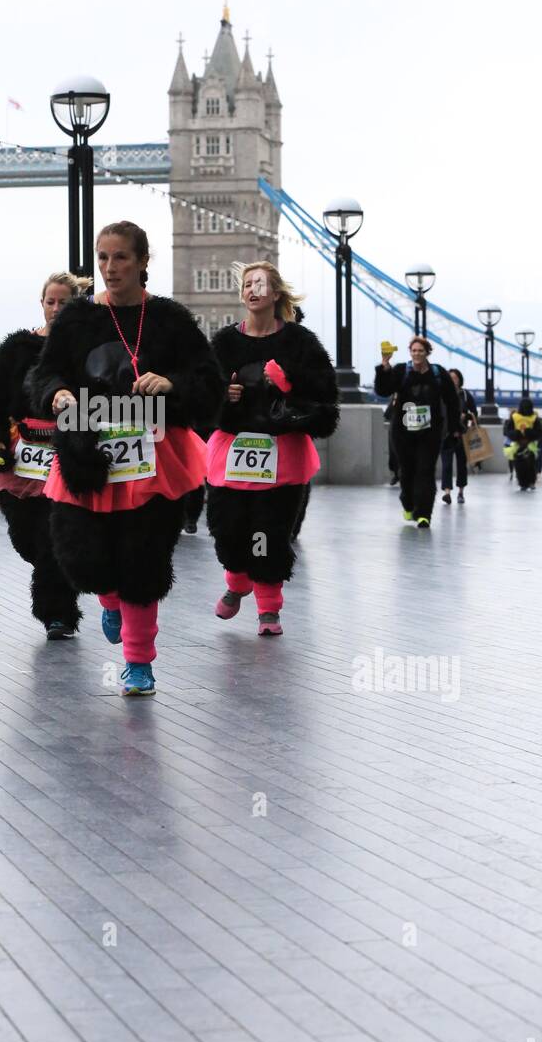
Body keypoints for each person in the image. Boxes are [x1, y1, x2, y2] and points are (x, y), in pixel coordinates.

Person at [31, 220, 223, 695]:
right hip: (86, 453)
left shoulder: (171, 319)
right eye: (102, 258)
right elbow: (45, 373)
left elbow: (209, 383)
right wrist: (55, 394)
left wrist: (173, 384)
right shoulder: (76, 320)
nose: (109, 268)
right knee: (84, 560)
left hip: (154, 459)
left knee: (144, 560)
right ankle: (109, 600)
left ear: (142, 263)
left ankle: (139, 662)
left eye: (120, 257)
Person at [205, 261, 339, 637]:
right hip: (232, 453)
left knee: (268, 532)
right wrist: (222, 396)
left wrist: (289, 384)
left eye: (260, 284)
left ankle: (268, 608)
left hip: (281, 455)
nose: (253, 290)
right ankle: (236, 581)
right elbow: (200, 396)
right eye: (247, 284)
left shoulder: (301, 343)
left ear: (276, 293)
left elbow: (326, 400)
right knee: (228, 530)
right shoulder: (224, 343)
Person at [0, 271, 89, 639]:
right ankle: (63, 579)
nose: (55, 309)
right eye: (50, 302)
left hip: (66, 455)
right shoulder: (16, 349)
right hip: (20, 456)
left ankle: (58, 614)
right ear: (41, 304)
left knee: (54, 537)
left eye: (63, 303)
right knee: (26, 539)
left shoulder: (84, 349)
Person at [375, 336, 461, 528]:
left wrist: (455, 428)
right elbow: (382, 390)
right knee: (406, 472)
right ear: (410, 352)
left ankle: (424, 514)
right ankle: (408, 503)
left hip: (429, 433)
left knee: (425, 471)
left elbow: (452, 402)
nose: (416, 354)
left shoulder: (438, 374)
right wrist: (384, 367)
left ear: (427, 353)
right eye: (413, 350)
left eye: (420, 351)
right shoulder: (401, 371)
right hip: (403, 432)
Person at [440, 367, 478, 505]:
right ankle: (447, 493)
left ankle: (461, 492)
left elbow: (474, 414)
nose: (452, 380)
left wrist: (465, 415)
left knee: (461, 465)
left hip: (462, 435)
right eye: (450, 378)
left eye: (455, 378)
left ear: (460, 380)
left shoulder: (466, 395)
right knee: (446, 465)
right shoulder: (442, 394)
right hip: (446, 434)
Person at [503, 397, 542, 491]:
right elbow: (508, 431)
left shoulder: (534, 418)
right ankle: (525, 482)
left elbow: (540, 432)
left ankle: (529, 482)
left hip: (529, 444)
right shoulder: (515, 417)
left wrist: (528, 433)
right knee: (523, 464)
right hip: (519, 444)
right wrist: (517, 435)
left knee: (528, 464)